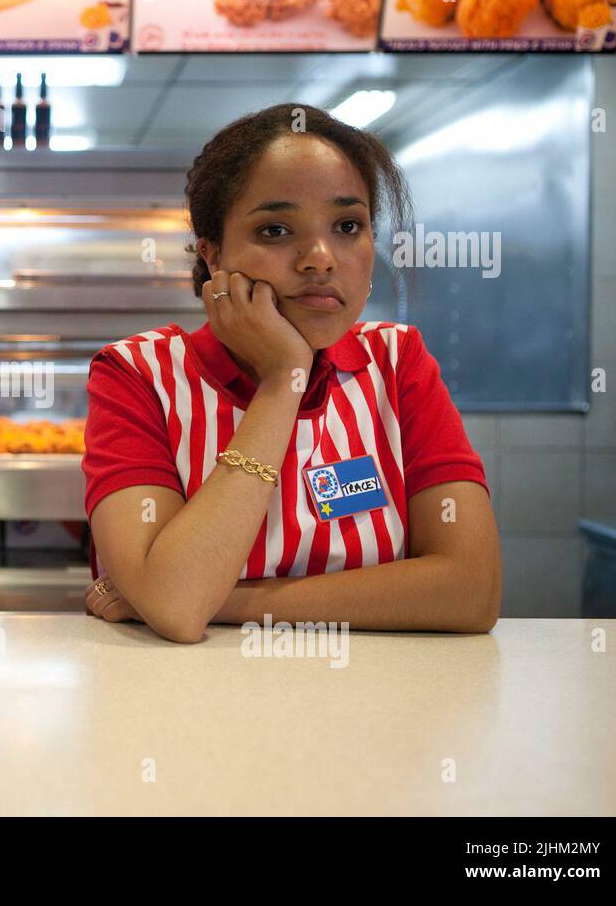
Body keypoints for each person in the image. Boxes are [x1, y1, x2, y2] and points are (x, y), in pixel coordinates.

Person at [82, 104, 500, 643]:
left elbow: (471, 591)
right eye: (276, 230)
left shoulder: (398, 363)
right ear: (212, 255)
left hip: (380, 712)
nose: (320, 258)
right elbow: (179, 609)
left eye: (348, 225)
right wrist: (284, 380)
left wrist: (209, 597)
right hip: (187, 716)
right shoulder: (137, 375)